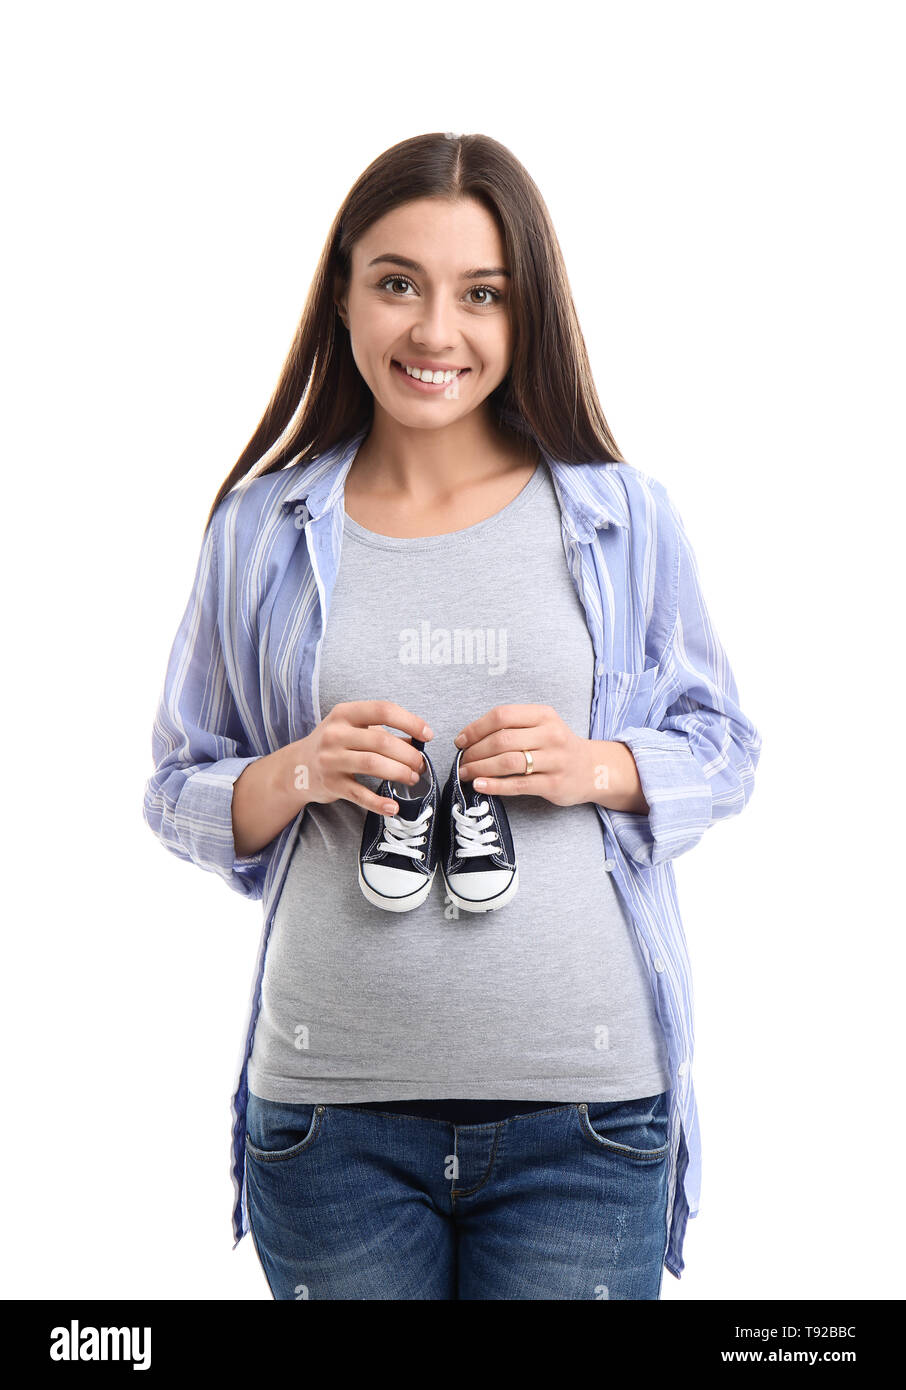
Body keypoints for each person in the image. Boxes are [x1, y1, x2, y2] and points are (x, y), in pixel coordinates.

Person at [142, 131, 762, 1300]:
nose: (436, 332)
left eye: (483, 294)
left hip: (586, 1117)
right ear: (342, 294)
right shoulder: (261, 531)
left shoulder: (623, 516)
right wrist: (298, 771)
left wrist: (600, 767)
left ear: (528, 314)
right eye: (397, 284)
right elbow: (177, 783)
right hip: (332, 1125)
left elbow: (724, 745)